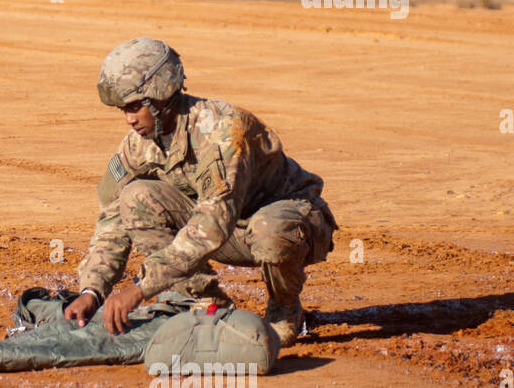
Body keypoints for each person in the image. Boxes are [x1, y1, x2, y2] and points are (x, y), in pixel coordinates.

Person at [64, 38, 337, 348]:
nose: (128, 118)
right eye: (123, 109)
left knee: (270, 229)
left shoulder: (223, 132)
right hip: (227, 230)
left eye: (135, 106)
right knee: (135, 198)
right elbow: (112, 217)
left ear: (161, 95)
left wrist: (140, 289)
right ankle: (208, 304)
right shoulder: (138, 144)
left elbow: (211, 224)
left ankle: (285, 310)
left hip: (292, 221)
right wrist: (92, 291)